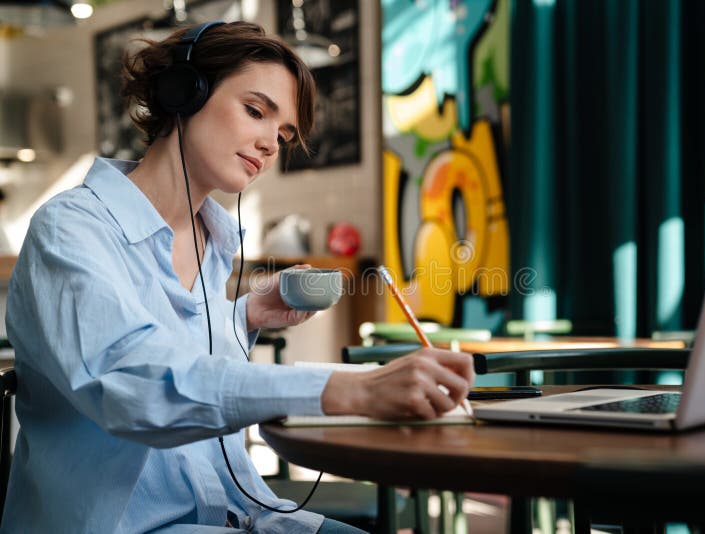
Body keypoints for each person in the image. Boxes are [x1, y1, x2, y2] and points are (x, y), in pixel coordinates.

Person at [0, 21, 474, 534]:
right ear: (183, 94)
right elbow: (135, 383)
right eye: (255, 111)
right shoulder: (70, 229)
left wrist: (244, 315)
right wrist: (348, 390)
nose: (271, 144)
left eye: (283, 133)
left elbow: (174, 349)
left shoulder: (213, 240)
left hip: (236, 510)